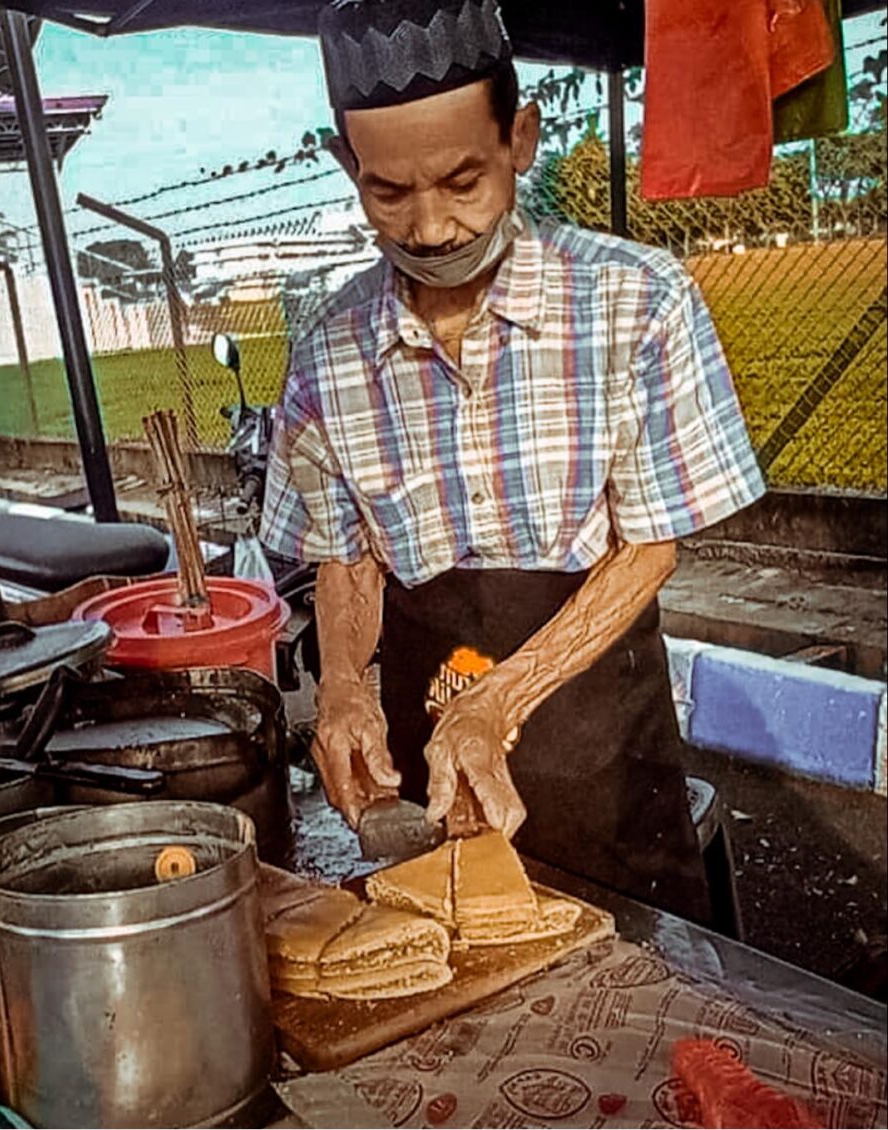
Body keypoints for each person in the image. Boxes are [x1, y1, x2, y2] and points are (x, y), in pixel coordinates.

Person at [260, 0, 765, 923]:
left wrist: (503, 699)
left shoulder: (635, 303)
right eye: (388, 193)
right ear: (348, 168)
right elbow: (345, 555)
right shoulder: (329, 352)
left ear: (519, 140)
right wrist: (339, 684)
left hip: (602, 751)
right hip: (427, 752)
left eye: (463, 180)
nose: (432, 225)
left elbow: (649, 549)